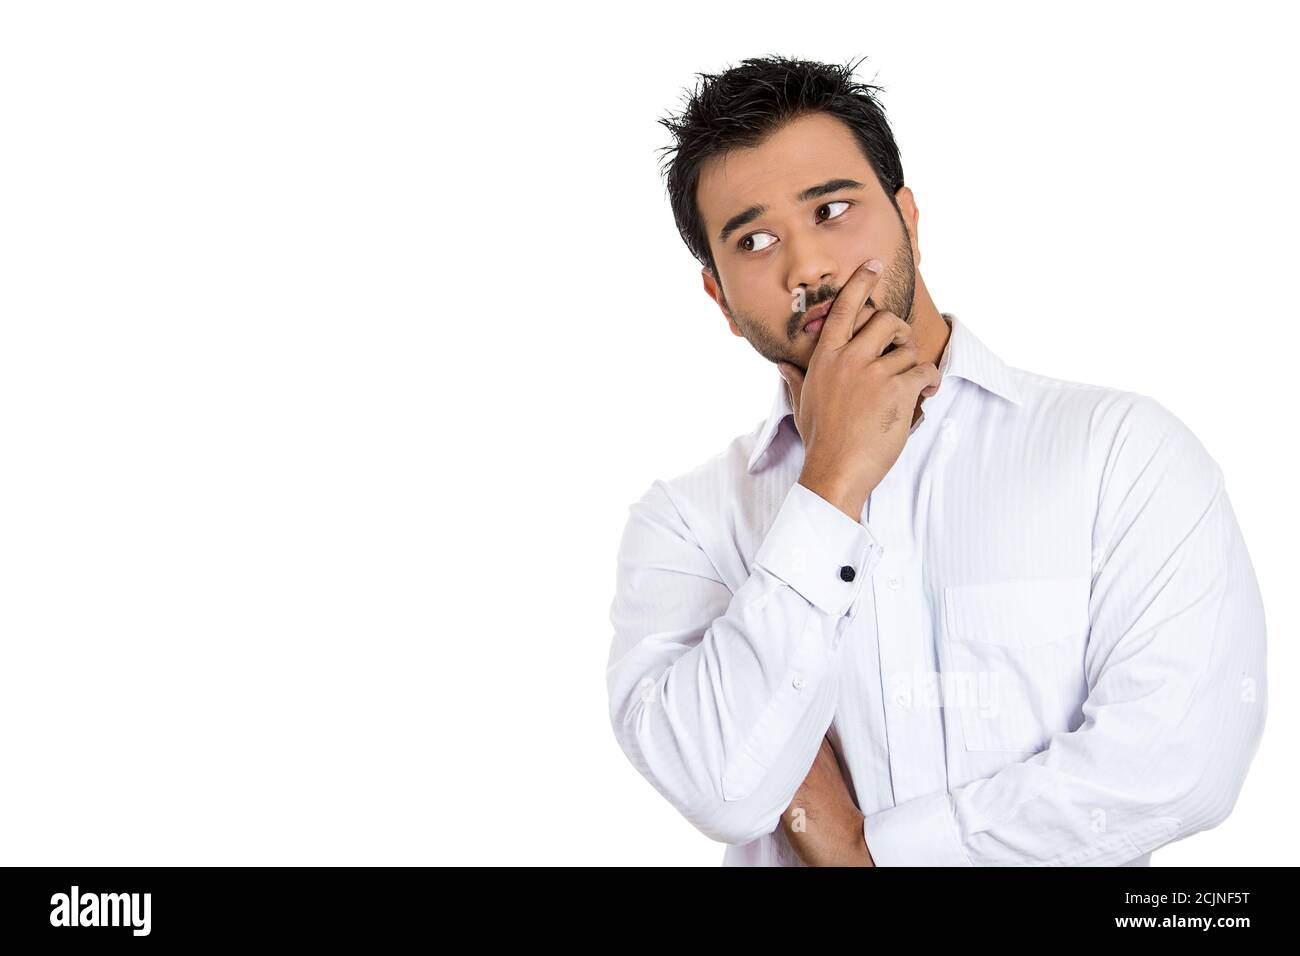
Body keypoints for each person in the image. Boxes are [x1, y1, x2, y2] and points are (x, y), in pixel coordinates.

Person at [605, 55, 1267, 866]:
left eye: (834, 209)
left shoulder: (1118, 452)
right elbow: (721, 785)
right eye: (756, 239)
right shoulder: (688, 526)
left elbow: (1181, 767)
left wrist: (867, 852)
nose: (806, 266)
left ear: (908, 216)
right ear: (721, 299)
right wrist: (831, 484)